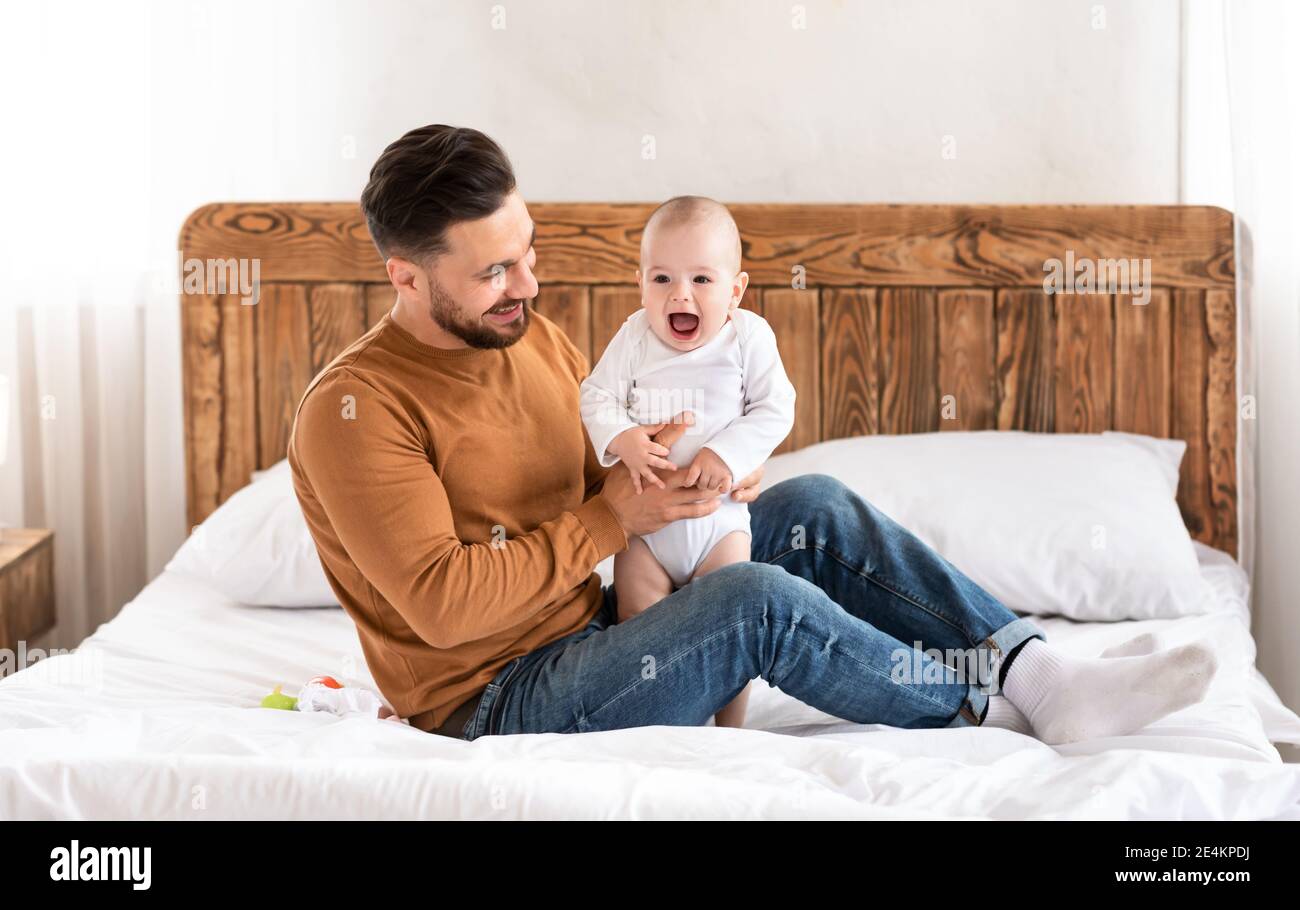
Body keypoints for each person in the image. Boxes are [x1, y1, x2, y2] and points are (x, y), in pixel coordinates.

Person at [287, 123, 1219, 746]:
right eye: (496, 271)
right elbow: (446, 606)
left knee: (805, 506)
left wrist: (687, 482)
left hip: (604, 611)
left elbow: (601, 469)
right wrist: (618, 516)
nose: (528, 284)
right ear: (406, 278)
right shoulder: (354, 412)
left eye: (528, 251)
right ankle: (994, 707)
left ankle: (1031, 664)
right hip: (503, 699)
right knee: (754, 601)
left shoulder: (528, 336)